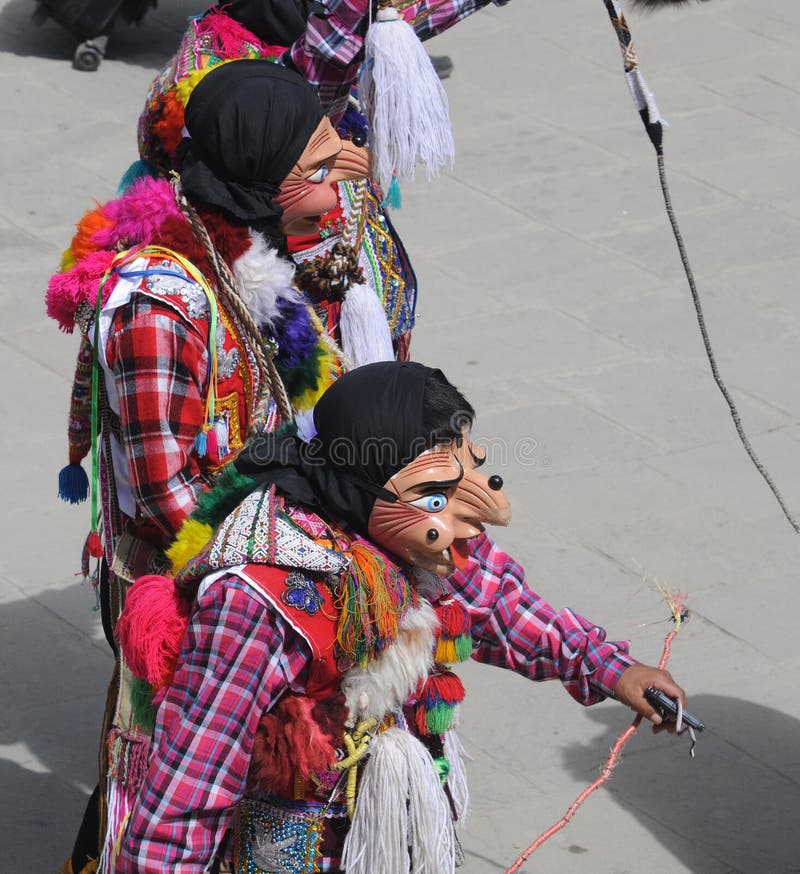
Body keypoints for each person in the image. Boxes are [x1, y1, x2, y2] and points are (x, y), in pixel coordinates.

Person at [115, 360, 686, 873]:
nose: (472, 518)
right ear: (361, 486)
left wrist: (610, 670)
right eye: (434, 496)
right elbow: (188, 789)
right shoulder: (258, 597)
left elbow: (501, 605)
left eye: (473, 473)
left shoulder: (420, 542)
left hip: (395, 835)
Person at [48, 59, 370, 874]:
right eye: (320, 168)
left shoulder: (253, 266)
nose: (340, 187)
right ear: (262, 175)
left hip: (252, 564)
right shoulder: (160, 305)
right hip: (190, 588)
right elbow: (167, 501)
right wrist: (297, 554)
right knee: (173, 788)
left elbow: (305, 411)